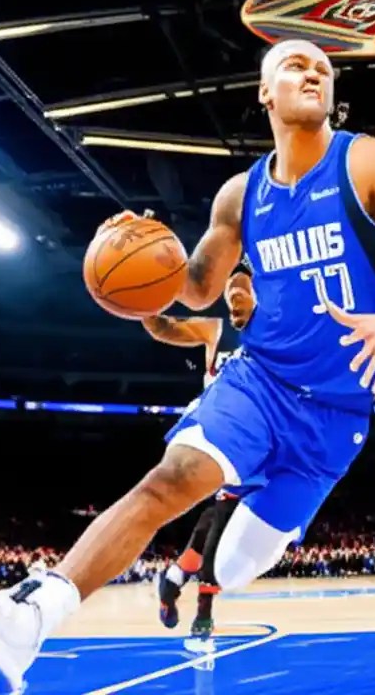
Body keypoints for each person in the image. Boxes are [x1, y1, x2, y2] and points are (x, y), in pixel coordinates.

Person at [0, 37, 375, 695]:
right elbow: (196, 288)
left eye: (323, 68)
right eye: (295, 65)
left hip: (335, 415)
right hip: (261, 381)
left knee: (234, 567)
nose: (313, 73)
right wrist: (137, 256)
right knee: (170, 480)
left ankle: (206, 570)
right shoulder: (240, 197)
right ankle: (26, 623)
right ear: (265, 92)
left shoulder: (370, 162)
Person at [142, 269, 254, 644]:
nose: (236, 291)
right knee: (225, 519)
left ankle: (174, 579)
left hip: (259, 437)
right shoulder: (215, 329)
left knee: (218, 518)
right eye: (230, 286)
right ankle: (204, 609)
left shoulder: (275, 331)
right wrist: (143, 301)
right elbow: (163, 328)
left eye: (244, 285)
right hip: (221, 434)